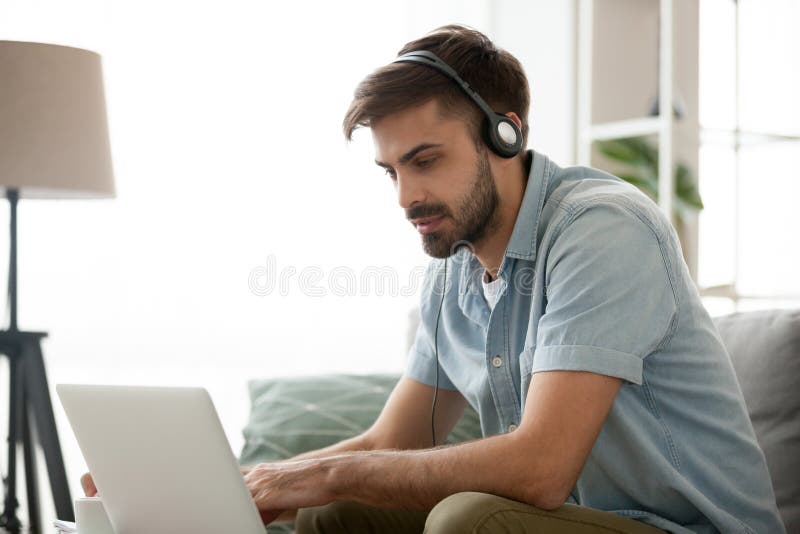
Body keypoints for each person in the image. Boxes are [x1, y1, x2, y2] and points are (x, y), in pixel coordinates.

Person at [82, 25, 785, 533]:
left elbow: (539, 469)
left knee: (466, 521)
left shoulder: (601, 230)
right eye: (391, 171)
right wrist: (240, 486)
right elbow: (392, 441)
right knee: (334, 511)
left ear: (505, 135)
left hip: (682, 528)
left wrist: (321, 475)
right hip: (573, 524)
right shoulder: (454, 268)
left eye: (425, 161)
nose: (405, 197)